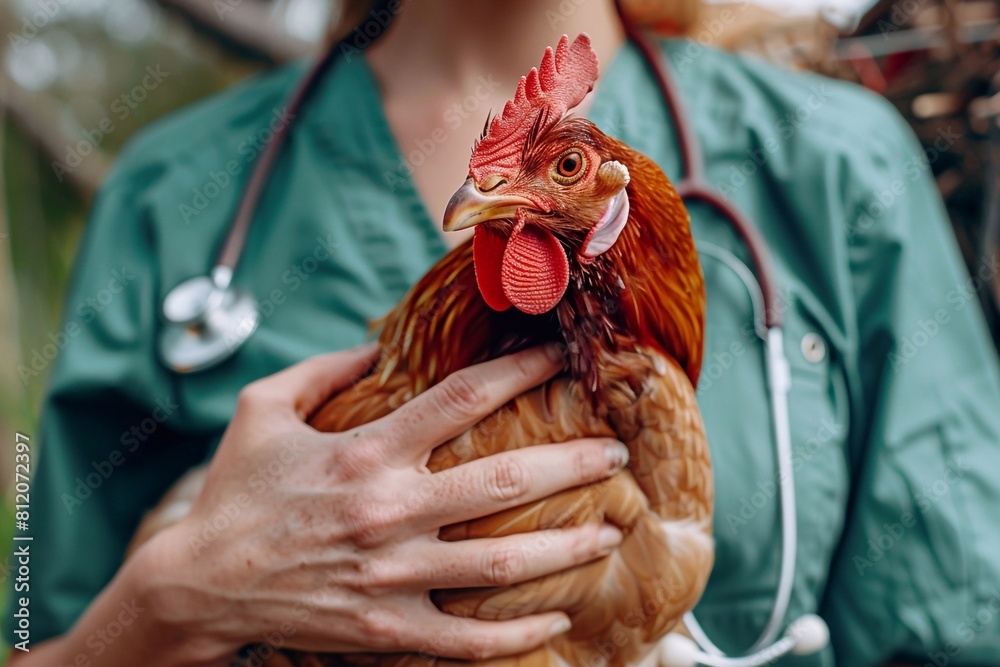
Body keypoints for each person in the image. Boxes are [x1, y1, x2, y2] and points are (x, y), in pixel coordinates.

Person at [7, 1, 1000, 665]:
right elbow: (41, 627)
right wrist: (177, 597)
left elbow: (956, 625)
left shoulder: (839, 168)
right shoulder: (174, 190)